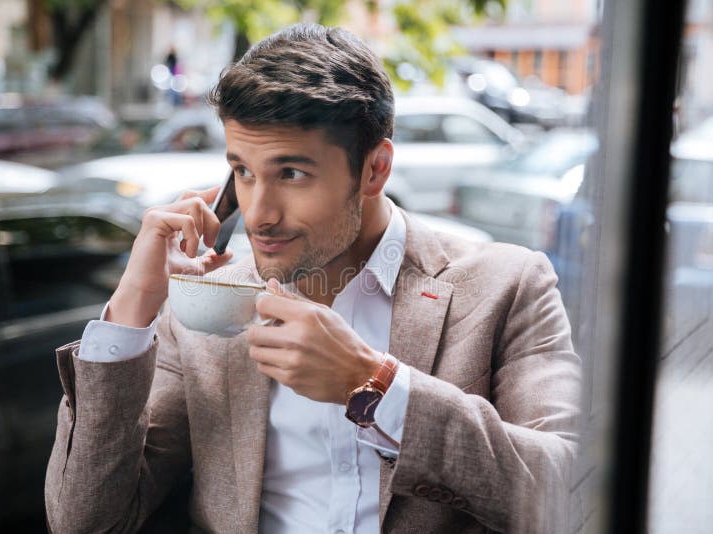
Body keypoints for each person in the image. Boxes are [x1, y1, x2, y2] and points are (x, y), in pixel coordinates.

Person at [44, 23, 581, 533]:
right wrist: (133, 304)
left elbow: (570, 494)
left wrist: (374, 386)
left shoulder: (508, 285)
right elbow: (86, 521)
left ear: (375, 169)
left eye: (292, 173)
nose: (257, 214)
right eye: (243, 172)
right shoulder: (212, 302)